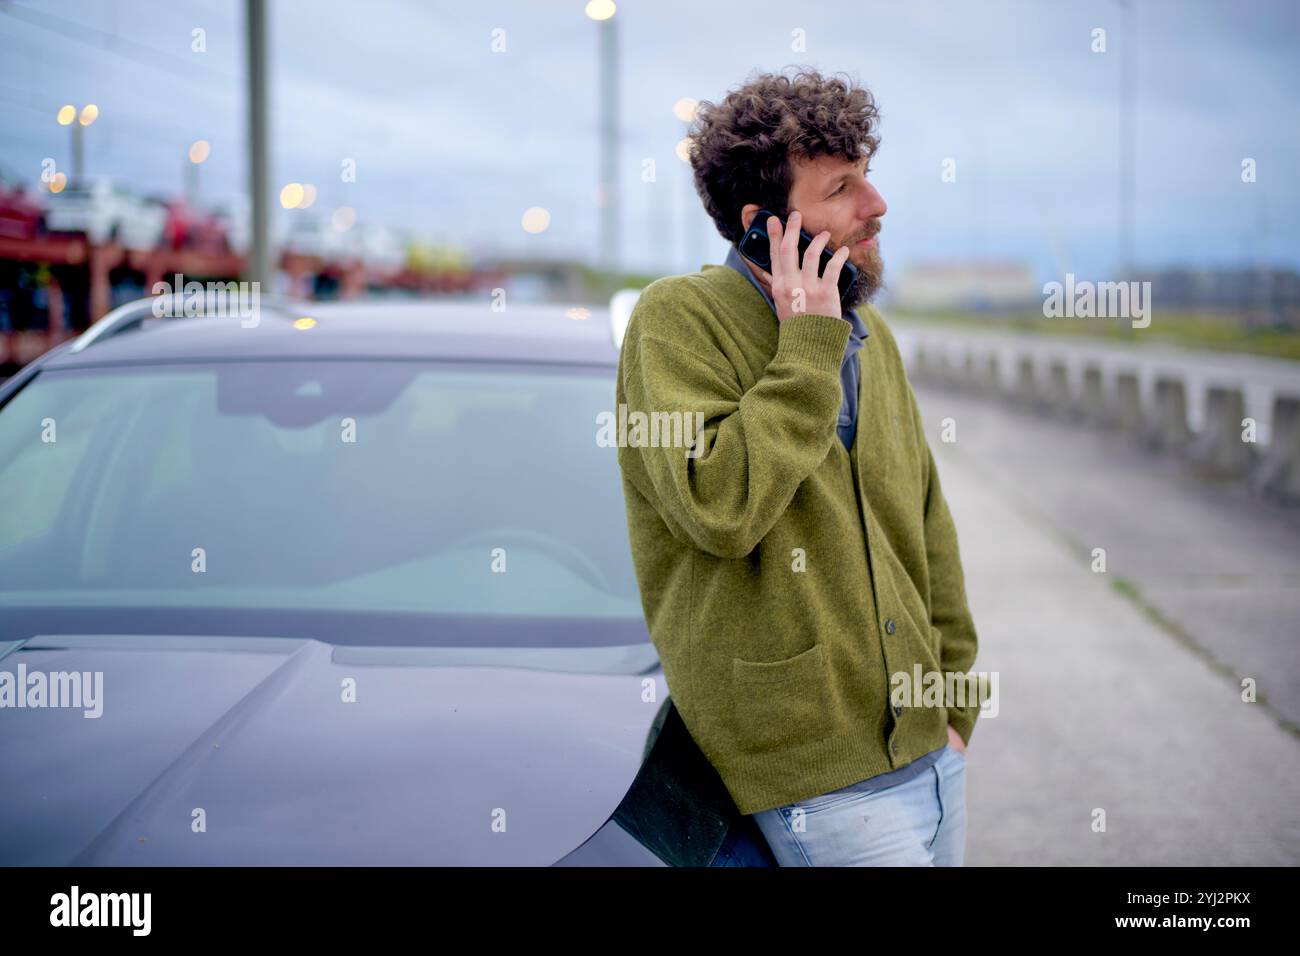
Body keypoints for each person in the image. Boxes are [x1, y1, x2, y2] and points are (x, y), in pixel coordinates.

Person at [614, 67, 982, 866]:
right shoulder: (676, 320)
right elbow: (718, 507)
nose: (875, 205)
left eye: (868, 178)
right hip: (814, 776)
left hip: (931, 752)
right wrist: (807, 346)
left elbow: (925, 525)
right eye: (843, 187)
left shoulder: (869, 336)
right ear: (763, 226)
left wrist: (954, 698)